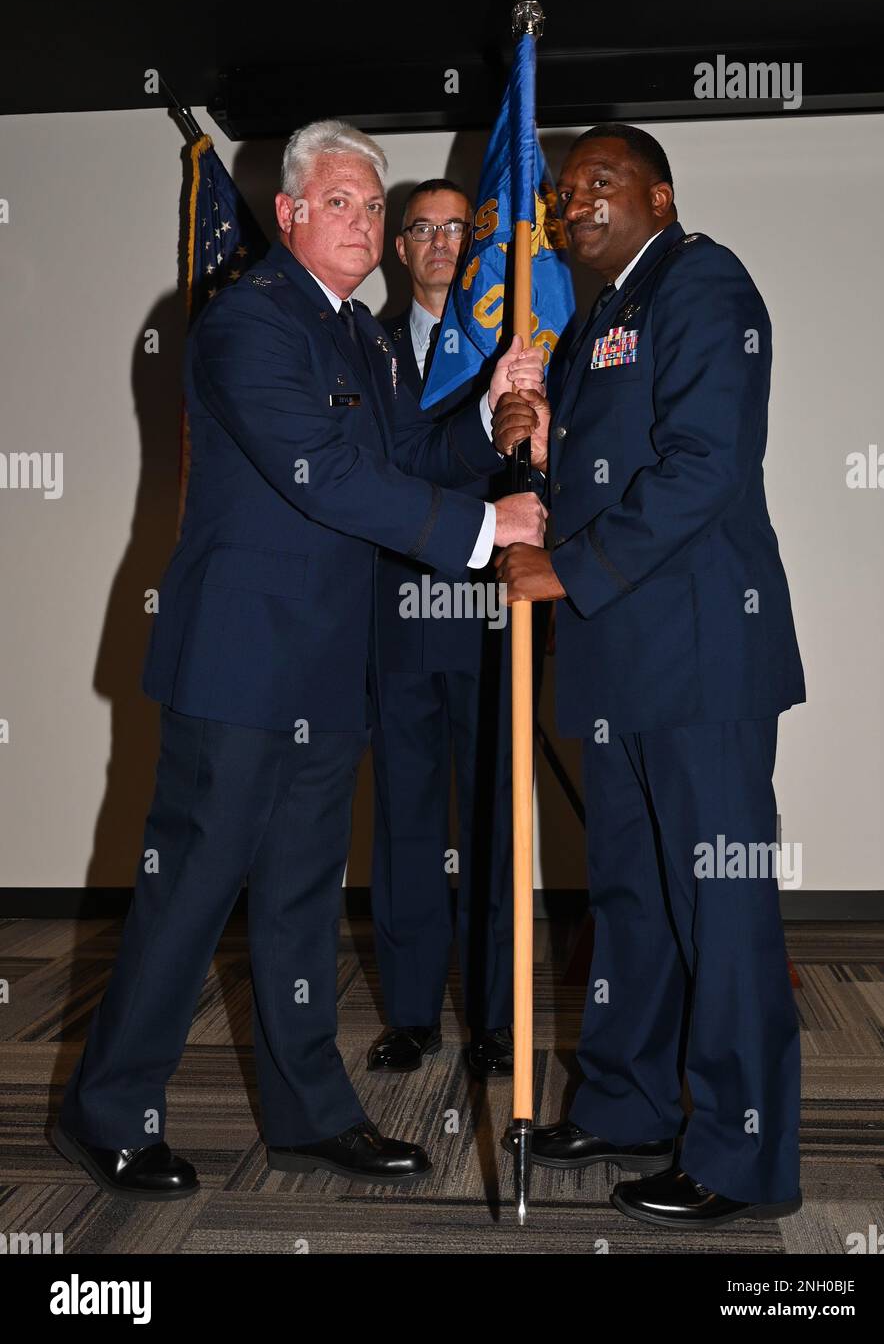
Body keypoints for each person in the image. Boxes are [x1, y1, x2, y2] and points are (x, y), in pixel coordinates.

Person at [52, 119, 546, 1200]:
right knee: (188, 900)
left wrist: (488, 408)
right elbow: (324, 473)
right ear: (286, 214)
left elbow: (407, 453)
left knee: (299, 903)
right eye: (338, 203)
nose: (362, 224)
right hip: (235, 670)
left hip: (326, 673)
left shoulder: (363, 338)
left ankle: (308, 1113)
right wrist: (484, 533)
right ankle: (108, 1113)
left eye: (372, 207)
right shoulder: (248, 324)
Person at [493, 123, 806, 1228]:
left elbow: (703, 467)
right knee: (628, 901)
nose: (575, 201)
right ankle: (625, 1102)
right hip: (619, 662)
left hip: (700, 656)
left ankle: (740, 1158)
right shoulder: (594, 320)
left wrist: (562, 571)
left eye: (601, 181)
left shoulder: (699, 281)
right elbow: (595, 472)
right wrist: (530, 433)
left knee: (716, 908)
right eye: (566, 188)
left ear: (659, 197)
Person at [369, 179, 542, 1079]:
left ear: (476, 246)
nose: (441, 241)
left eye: (456, 227)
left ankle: (494, 1016)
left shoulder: (513, 351)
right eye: (422, 228)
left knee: (492, 817)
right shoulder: (368, 347)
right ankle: (409, 1013)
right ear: (399, 249)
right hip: (398, 611)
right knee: (403, 816)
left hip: (487, 612)